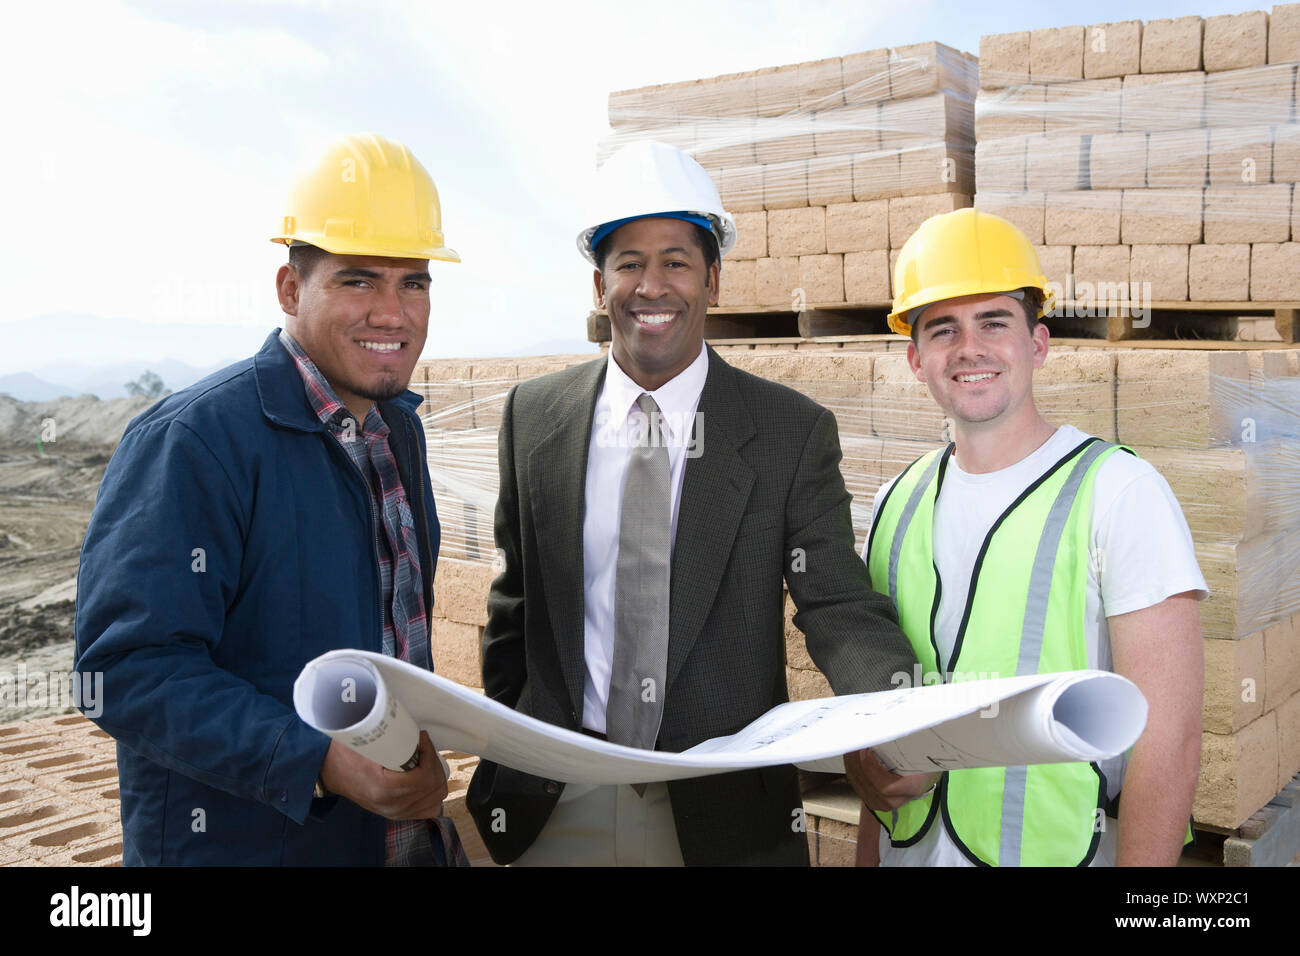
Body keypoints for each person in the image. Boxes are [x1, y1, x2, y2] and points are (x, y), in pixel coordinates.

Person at [465, 140, 918, 866]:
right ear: (598, 283)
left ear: (714, 279)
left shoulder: (787, 432)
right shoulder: (535, 418)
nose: (652, 286)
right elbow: (513, 608)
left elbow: (835, 600)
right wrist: (516, 750)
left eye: (676, 260)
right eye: (629, 262)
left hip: (719, 816)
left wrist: (896, 716)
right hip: (559, 800)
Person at [74, 133, 466, 866]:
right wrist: (315, 760)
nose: (393, 313)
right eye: (358, 280)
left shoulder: (398, 431)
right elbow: (121, 672)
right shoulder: (196, 440)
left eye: (413, 282)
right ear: (290, 289)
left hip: (395, 844)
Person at [853, 207, 1205, 866]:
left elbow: (1172, 741)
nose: (970, 349)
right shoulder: (892, 505)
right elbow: (881, 729)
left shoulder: (1119, 493)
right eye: (943, 329)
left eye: (994, 323)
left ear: (1037, 344)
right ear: (915, 358)